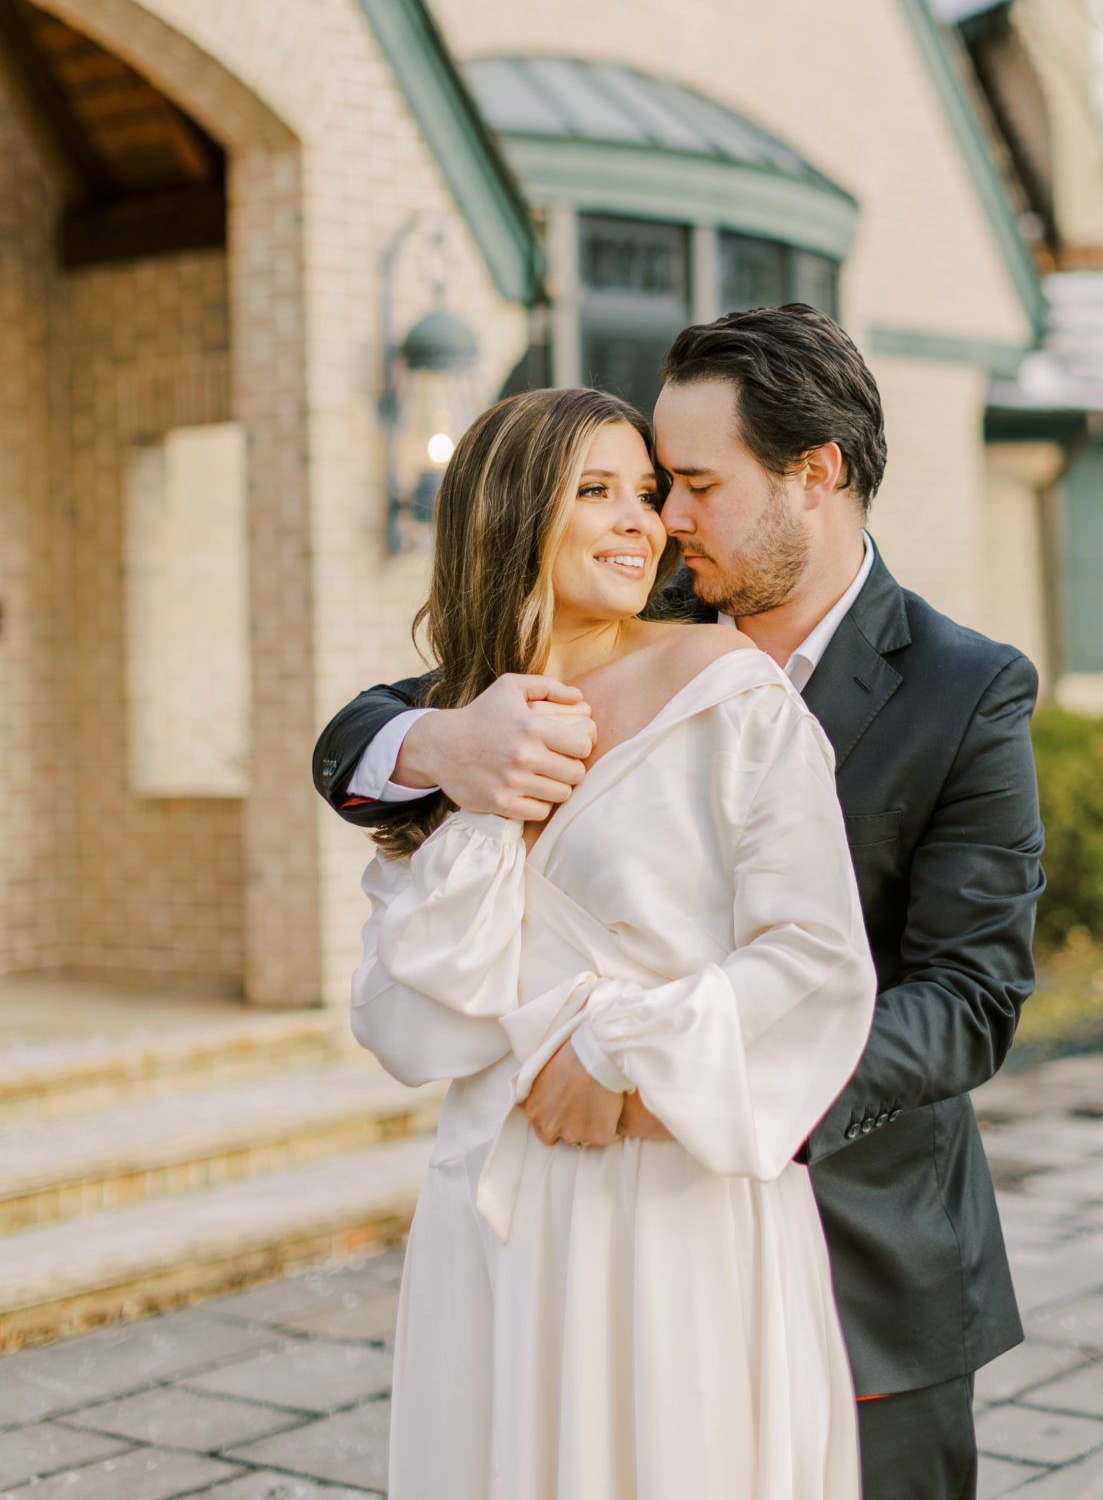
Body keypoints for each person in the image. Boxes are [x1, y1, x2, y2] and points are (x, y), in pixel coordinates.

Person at [317, 306, 1046, 1500]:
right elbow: (363, 731)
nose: (665, 520)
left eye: (693, 484)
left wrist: (661, 1076)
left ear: (817, 474)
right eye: (648, 487)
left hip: (858, 1247)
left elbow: (968, 998)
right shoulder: (625, 627)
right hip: (545, 1221)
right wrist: (443, 741)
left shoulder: (965, 688)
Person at [347, 383, 878, 1500]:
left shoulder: (733, 695)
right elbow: (413, 1020)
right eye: (598, 491)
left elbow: (815, 958)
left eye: (651, 491)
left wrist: (620, 1057)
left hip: (669, 1183)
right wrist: (477, 793)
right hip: (493, 1191)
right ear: (508, 510)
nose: (644, 520)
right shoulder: (455, 729)